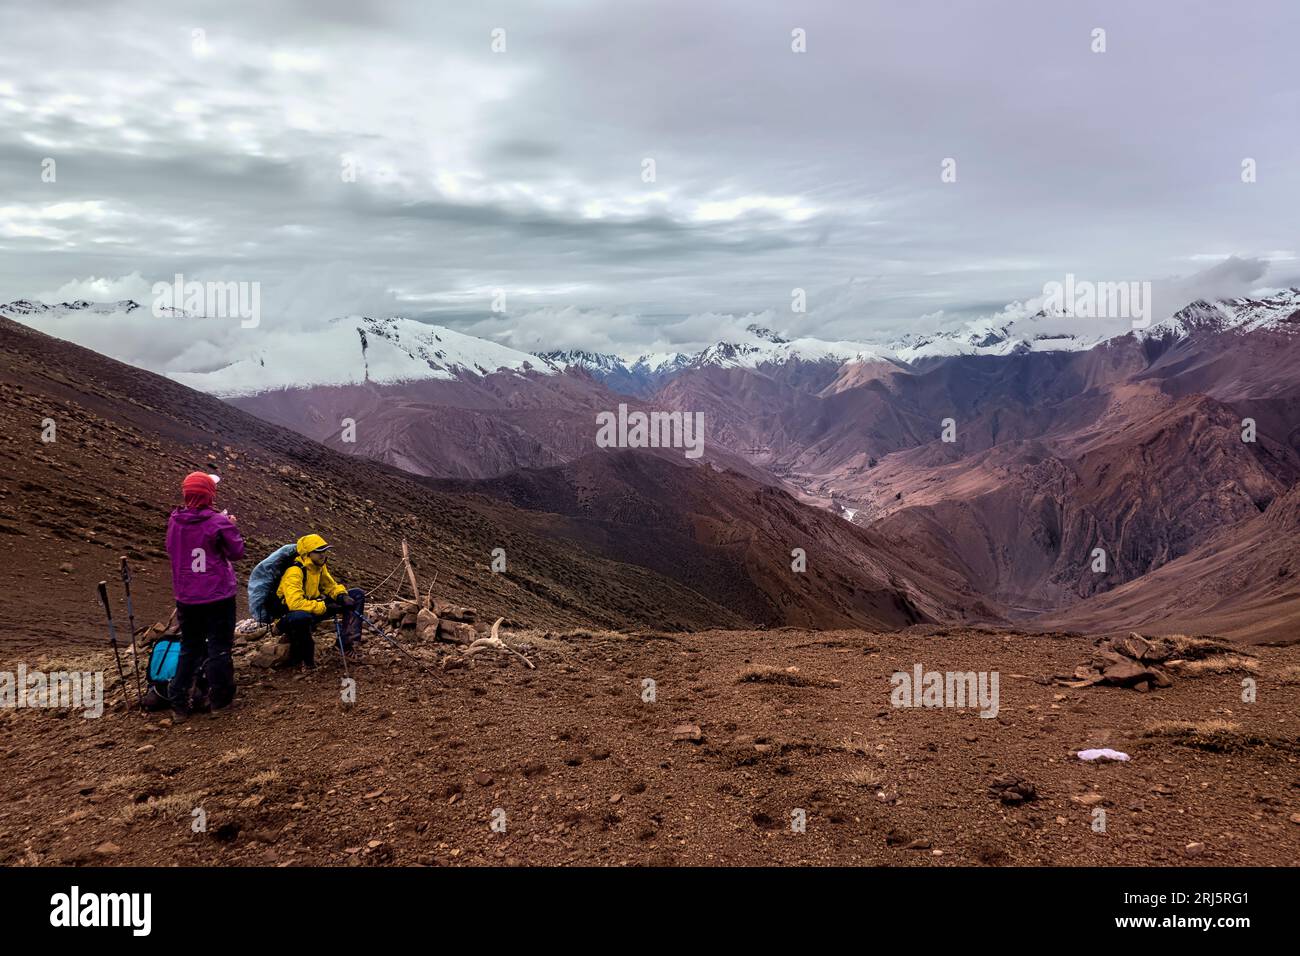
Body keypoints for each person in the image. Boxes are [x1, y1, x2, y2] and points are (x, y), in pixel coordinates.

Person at [165, 471, 244, 720]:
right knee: (219, 647)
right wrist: (229, 524)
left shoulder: (175, 521)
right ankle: (220, 700)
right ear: (209, 495)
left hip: (187, 597)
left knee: (190, 647)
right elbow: (236, 551)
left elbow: (172, 549)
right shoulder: (218, 522)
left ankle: (178, 701)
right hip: (218, 596)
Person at [275, 534, 366, 668]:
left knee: (356, 595)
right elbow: (295, 604)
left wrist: (341, 596)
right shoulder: (294, 572)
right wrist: (326, 607)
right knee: (301, 617)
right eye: (318, 552)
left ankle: (346, 644)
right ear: (307, 554)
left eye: (324, 550)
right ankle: (306, 661)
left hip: (312, 609)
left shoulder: (318, 566)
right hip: (289, 615)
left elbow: (329, 586)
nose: (323, 554)